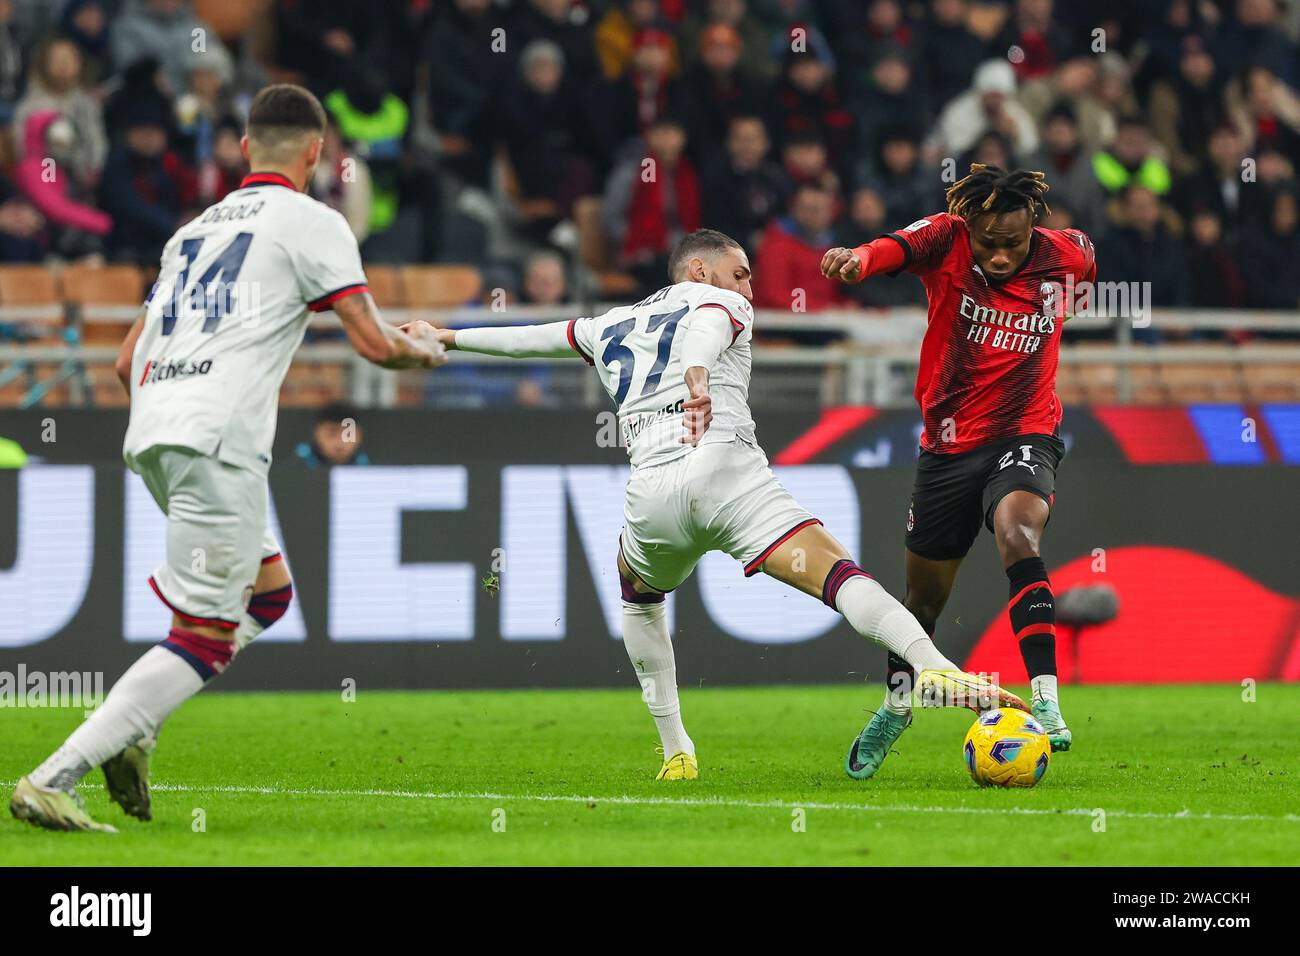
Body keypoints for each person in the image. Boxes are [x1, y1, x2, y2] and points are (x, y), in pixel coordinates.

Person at [423, 228, 1028, 781]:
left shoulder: (608, 324)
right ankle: (933, 666)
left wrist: (447, 337)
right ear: (697, 270)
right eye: (739, 273)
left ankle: (676, 750)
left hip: (652, 494)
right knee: (840, 575)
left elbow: (533, 340)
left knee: (637, 596)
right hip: (723, 468)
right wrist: (695, 375)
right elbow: (708, 327)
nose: (749, 287)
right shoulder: (720, 302)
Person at [10, 84, 446, 833]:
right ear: (317, 153)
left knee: (266, 595)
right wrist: (425, 351)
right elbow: (375, 344)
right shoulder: (316, 222)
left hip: (154, 432)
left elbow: (124, 361)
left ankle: (135, 728)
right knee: (205, 634)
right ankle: (55, 776)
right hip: (218, 440)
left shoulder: (191, 233)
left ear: (245, 149)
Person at [821, 164, 1096, 777]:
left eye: (1013, 245)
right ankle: (897, 707)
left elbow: (1084, 275)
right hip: (947, 445)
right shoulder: (946, 239)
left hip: (1027, 431)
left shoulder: (1067, 255)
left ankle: (1047, 703)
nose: (999, 256)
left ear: (1033, 231)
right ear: (969, 228)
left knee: (1018, 532)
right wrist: (857, 261)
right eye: (988, 244)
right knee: (922, 599)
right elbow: (890, 248)